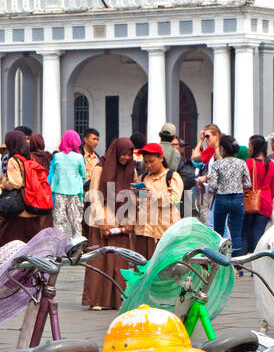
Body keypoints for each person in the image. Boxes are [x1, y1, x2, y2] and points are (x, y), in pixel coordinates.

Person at [82, 136, 136, 310]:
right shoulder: (100, 168)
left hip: (121, 219)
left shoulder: (130, 169)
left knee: (119, 262)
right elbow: (94, 195)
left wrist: (131, 220)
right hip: (103, 218)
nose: (127, 158)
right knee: (100, 261)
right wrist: (101, 221)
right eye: (124, 154)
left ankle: (116, 299)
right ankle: (97, 300)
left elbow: (133, 195)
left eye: (130, 155)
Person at [0, 129, 42, 249]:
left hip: (18, 209)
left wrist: (4, 182)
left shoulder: (13, 160)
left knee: (2, 243)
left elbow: (17, 183)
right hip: (31, 206)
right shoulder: (28, 159)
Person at [134, 142, 184, 259]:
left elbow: (174, 199)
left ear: (161, 158)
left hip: (163, 233)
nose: (148, 165)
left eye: (151, 162)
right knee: (141, 268)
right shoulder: (144, 177)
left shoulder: (172, 177)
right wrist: (136, 194)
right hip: (143, 231)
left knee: (161, 269)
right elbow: (139, 202)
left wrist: (152, 194)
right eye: (146, 162)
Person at [206, 134, 251, 256]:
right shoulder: (242, 163)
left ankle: (219, 259)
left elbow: (212, 186)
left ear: (222, 149)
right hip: (238, 199)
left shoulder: (217, 165)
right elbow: (248, 184)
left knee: (219, 233)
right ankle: (236, 262)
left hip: (221, 199)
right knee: (236, 233)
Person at [49, 130, 87, 237]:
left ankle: (59, 246)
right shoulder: (79, 157)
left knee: (59, 222)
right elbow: (83, 174)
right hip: (75, 192)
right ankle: (77, 246)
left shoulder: (57, 156)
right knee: (76, 222)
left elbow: (53, 171)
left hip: (59, 192)